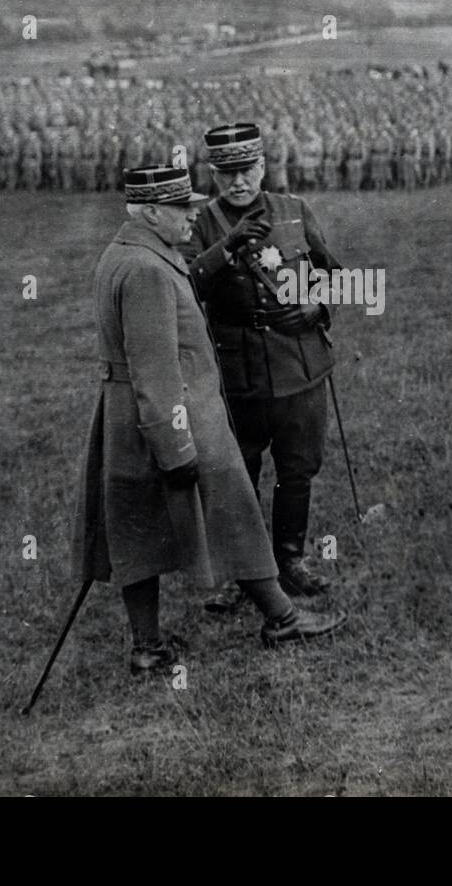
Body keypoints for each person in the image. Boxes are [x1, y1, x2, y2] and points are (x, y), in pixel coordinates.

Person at [71, 164, 346, 675]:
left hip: (131, 417)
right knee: (234, 511)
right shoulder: (149, 270)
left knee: (135, 524)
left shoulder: (128, 254)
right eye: (182, 207)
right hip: (177, 416)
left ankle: (147, 646)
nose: (194, 213)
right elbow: (154, 371)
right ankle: (282, 618)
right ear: (152, 212)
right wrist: (176, 451)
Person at [183, 123, 342, 609]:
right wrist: (226, 246)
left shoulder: (294, 211)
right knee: (239, 471)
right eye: (227, 173)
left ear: (263, 167)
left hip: (299, 365)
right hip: (239, 372)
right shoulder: (201, 223)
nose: (238, 183)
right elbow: (186, 286)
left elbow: (336, 277)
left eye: (247, 170)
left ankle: (290, 560)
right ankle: (244, 573)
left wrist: (318, 308)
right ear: (212, 174)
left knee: (297, 467)